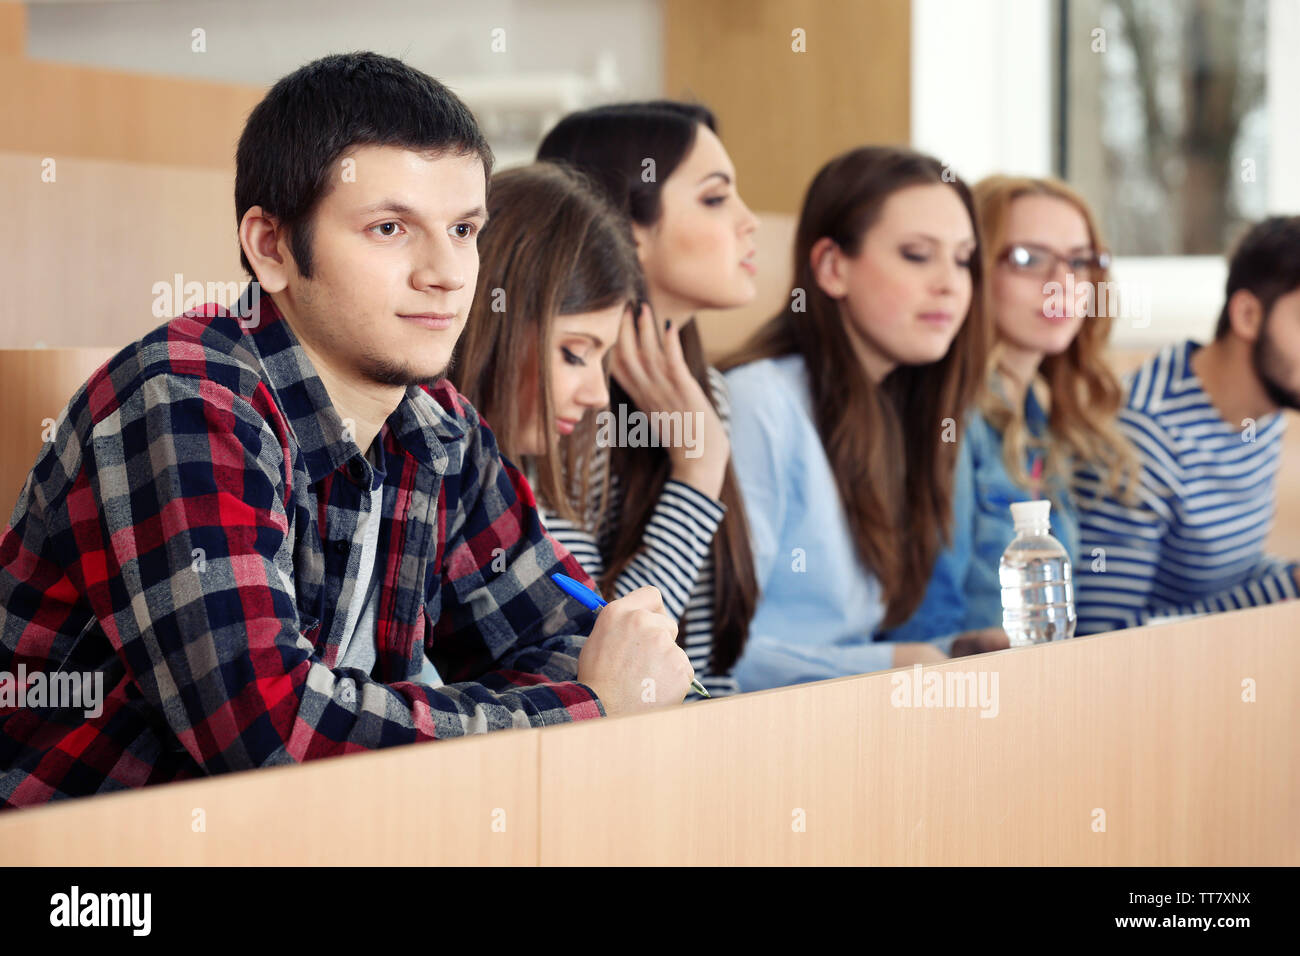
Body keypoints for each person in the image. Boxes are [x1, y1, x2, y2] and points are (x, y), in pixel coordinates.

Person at [0, 53, 692, 810]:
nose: (448, 273)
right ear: (270, 247)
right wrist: (587, 710)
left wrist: (589, 691)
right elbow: (269, 734)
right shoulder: (183, 405)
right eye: (390, 228)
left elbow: (567, 638)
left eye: (464, 229)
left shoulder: (438, 428)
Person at [718, 146, 992, 691]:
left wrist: (952, 651)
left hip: (844, 722)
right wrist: (890, 664)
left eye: (963, 259)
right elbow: (707, 655)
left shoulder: (897, 407)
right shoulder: (760, 405)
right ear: (832, 267)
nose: (950, 283)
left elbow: (840, 645)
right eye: (918, 255)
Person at [535, 102, 760, 697]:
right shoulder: (559, 397)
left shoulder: (700, 390)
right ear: (624, 232)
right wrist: (698, 472)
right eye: (715, 199)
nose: (750, 222)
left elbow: (706, 662)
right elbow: (602, 651)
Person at [887, 175, 1139, 652]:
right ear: (973, 268)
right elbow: (924, 629)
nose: (1061, 284)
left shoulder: (1037, 413)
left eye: (1080, 261)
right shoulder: (949, 415)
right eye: (1028, 259)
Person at [1073, 215, 1300, 633]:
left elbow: (1228, 579)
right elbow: (1102, 642)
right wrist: (1287, 586)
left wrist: (1288, 580)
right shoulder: (1143, 438)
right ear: (1248, 315)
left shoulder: (1265, 414)